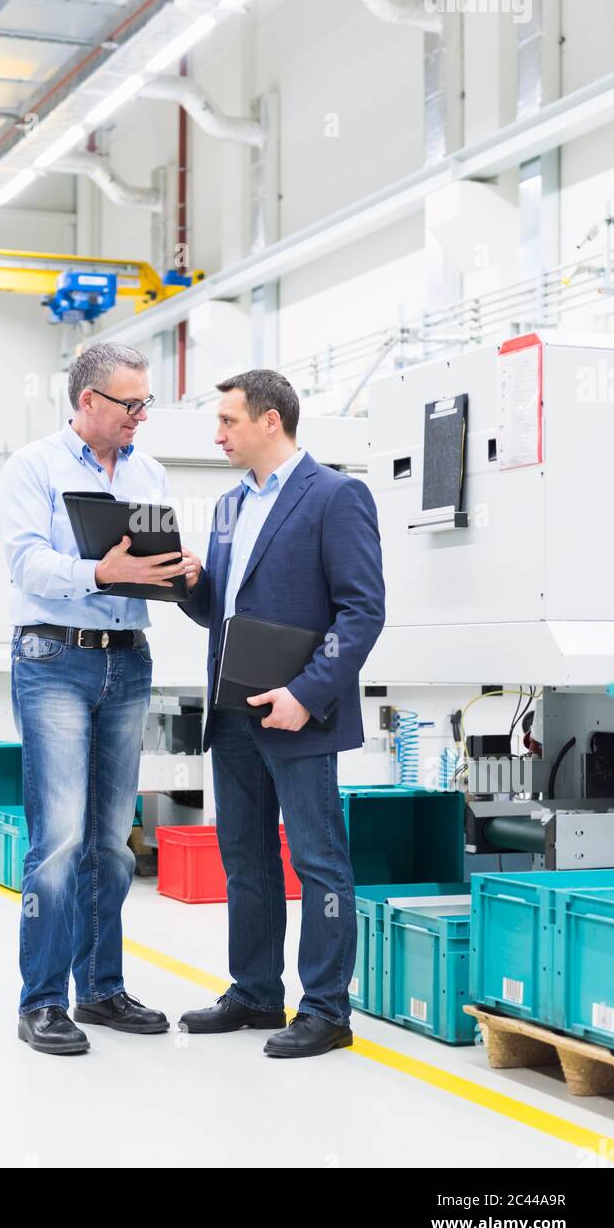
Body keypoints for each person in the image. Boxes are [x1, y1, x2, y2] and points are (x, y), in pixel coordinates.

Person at [0, 344, 196, 1056]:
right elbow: (26, 563)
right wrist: (98, 571)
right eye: (129, 403)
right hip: (52, 659)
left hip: (127, 661)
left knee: (112, 843)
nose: (141, 415)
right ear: (87, 403)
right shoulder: (33, 467)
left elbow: (145, 562)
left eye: (145, 402)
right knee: (58, 842)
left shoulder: (147, 470)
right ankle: (43, 1000)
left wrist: (177, 567)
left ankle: (101, 988)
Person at [177, 370, 385, 1059]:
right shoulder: (230, 506)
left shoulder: (334, 496)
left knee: (318, 860)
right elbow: (222, 611)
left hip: (297, 713)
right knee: (244, 857)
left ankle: (325, 1010)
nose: (218, 434)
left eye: (228, 421)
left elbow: (361, 611)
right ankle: (255, 992)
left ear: (271, 421)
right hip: (234, 710)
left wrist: (306, 693)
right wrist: (188, 583)